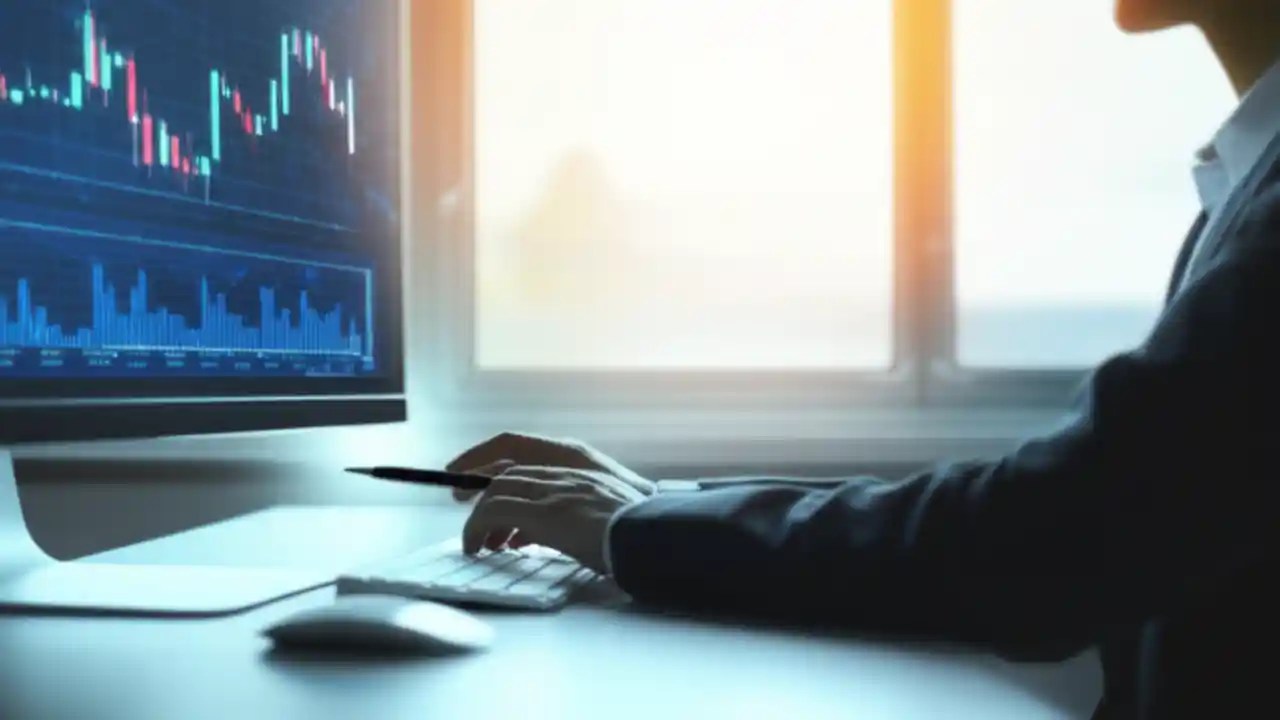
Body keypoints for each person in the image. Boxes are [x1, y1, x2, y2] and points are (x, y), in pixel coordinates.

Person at [451, 1, 1280, 717]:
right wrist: (656, 505)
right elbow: (1109, 499)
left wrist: (642, 532)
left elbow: (1056, 532)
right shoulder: (1248, 184)